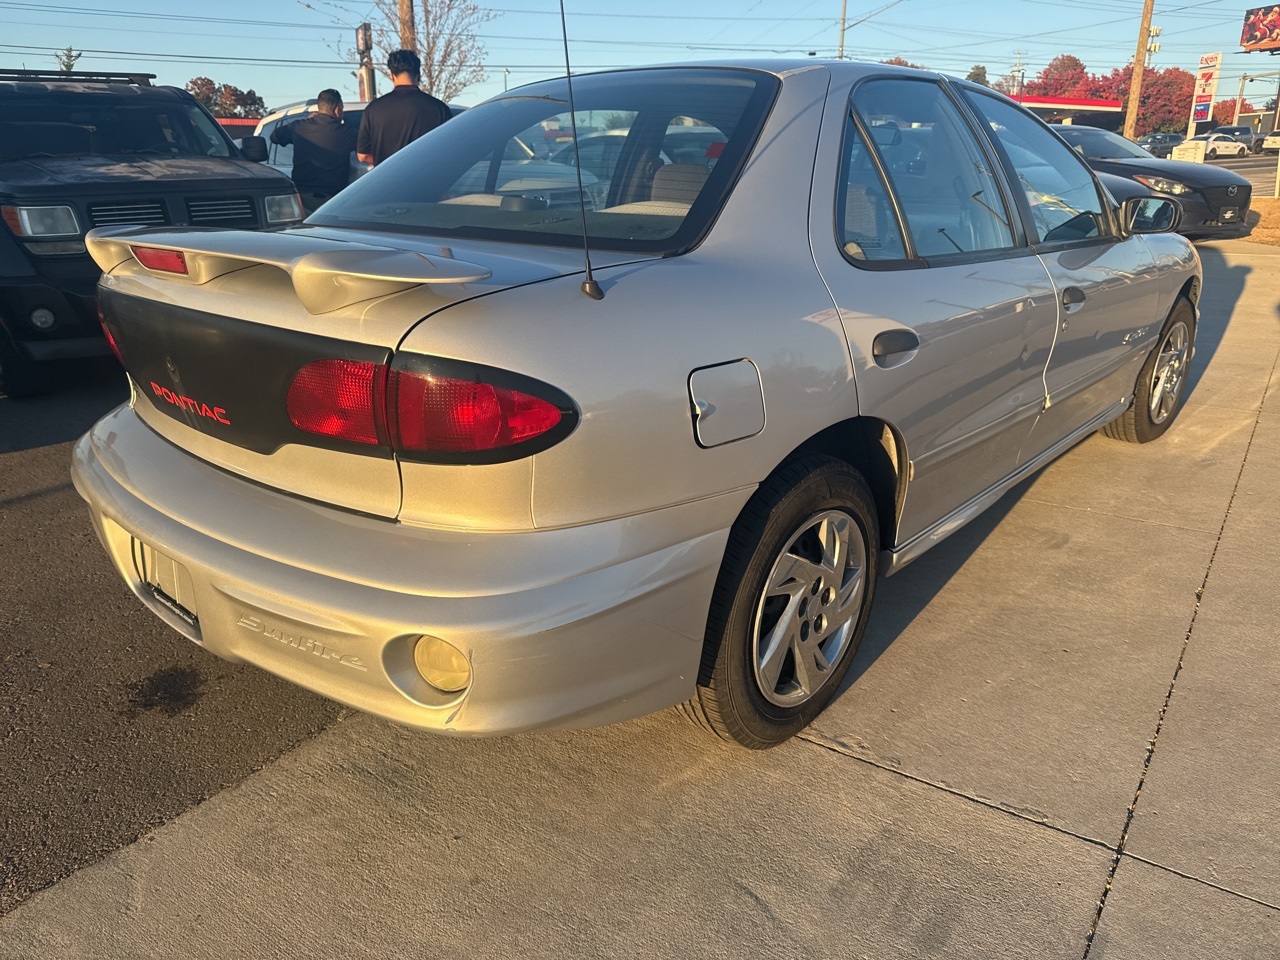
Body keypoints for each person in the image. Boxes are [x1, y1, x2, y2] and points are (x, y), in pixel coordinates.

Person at [356, 49, 451, 166]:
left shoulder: (373, 109)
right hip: (428, 180)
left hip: (387, 180)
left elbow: (363, 155)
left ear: (391, 75)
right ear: (419, 75)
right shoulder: (439, 109)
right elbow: (449, 151)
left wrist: (385, 164)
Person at [269, 89, 357, 214]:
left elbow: (274, 137)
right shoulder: (347, 133)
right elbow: (367, 150)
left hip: (301, 200)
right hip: (333, 201)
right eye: (342, 110)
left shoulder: (299, 127)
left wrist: (306, 122)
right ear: (337, 110)